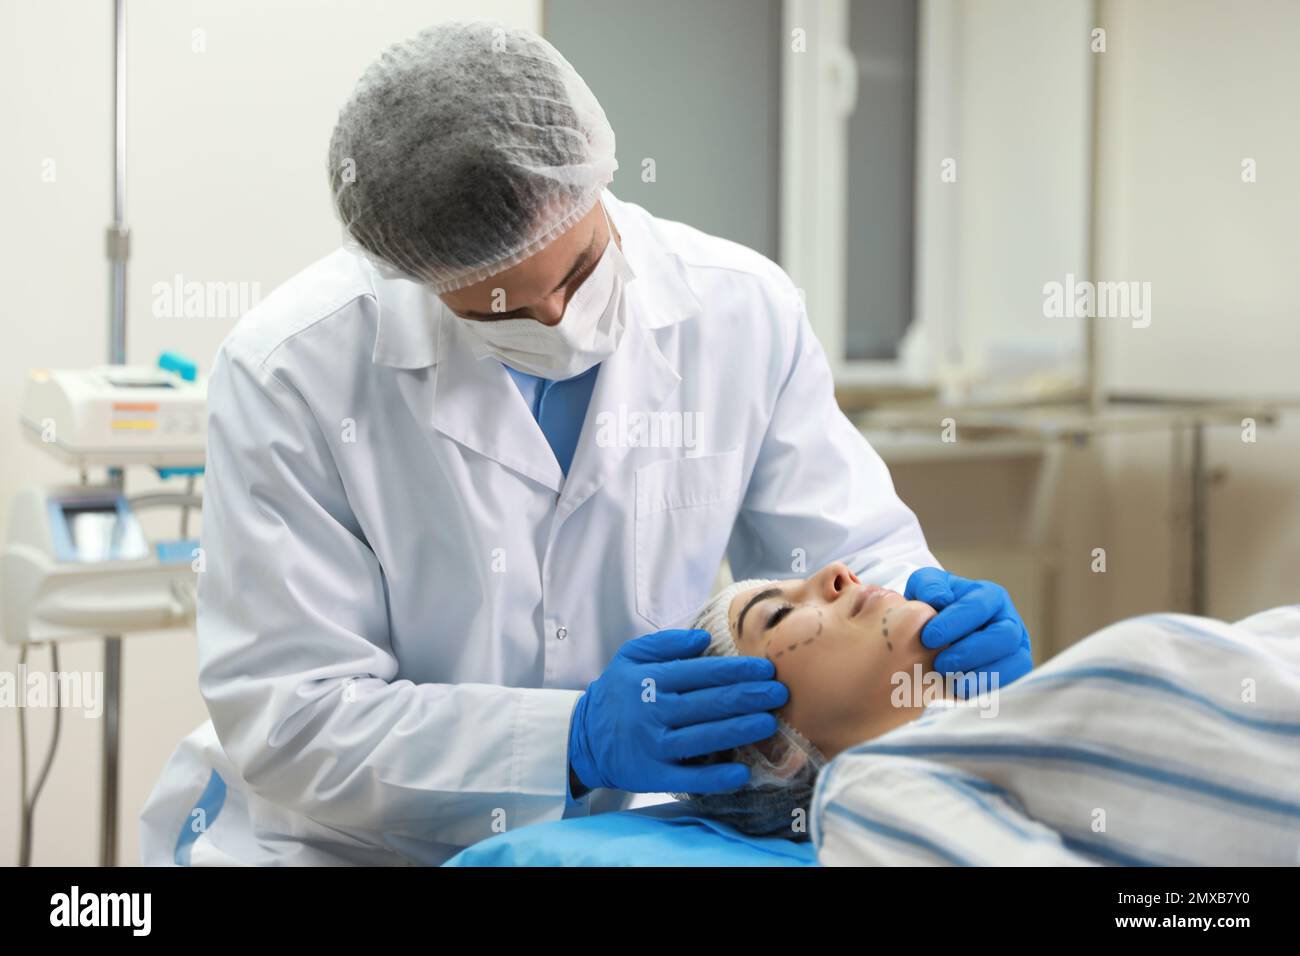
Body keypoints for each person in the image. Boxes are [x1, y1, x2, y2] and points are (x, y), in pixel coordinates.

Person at [140, 20, 1030, 866]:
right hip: (345, 845)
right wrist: (571, 740)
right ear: (410, 274)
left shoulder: (739, 311)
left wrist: (929, 622)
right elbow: (294, 718)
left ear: (593, 180)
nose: (558, 319)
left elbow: (845, 553)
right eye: (503, 308)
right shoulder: (292, 370)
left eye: (575, 271)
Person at [682, 563, 1300, 865]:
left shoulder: (1004, 731)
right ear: (776, 751)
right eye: (777, 615)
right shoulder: (868, 792)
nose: (836, 572)